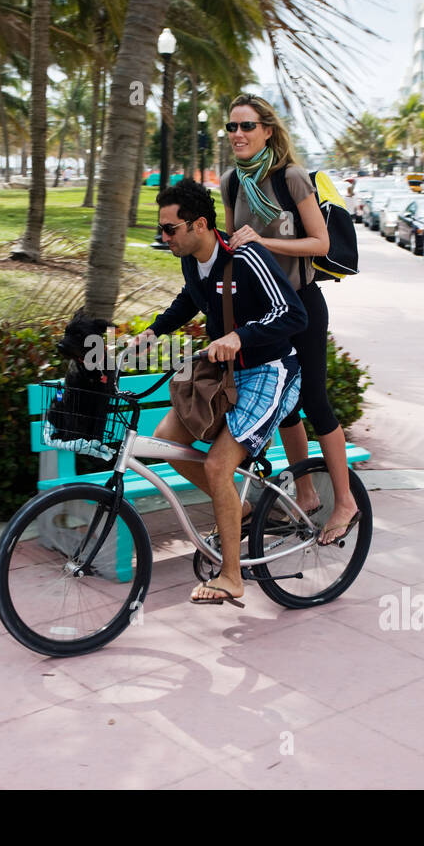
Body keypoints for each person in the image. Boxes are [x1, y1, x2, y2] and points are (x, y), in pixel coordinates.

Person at [133, 179, 307, 606]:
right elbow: (189, 300)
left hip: (268, 370)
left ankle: (232, 576)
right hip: (224, 372)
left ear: (200, 224)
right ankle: (240, 510)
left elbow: (292, 314)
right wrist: (155, 329)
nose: (164, 237)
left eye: (170, 229)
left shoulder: (246, 256)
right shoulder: (193, 260)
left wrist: (241, 337)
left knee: (217, 466)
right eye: (162, 229)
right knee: (163, 444)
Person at [219, 93, 360, 547]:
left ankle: (345, 502)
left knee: (315, 400)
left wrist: (263, 242)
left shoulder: (292, 179)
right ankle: (304, 493)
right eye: (231, 127)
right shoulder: (231, 183)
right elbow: (232, 246)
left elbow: (319, 244)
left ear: (268, 131)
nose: (238, 134)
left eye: (247, 126)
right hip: (262, 312)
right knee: (285, 405)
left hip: (302, 304)